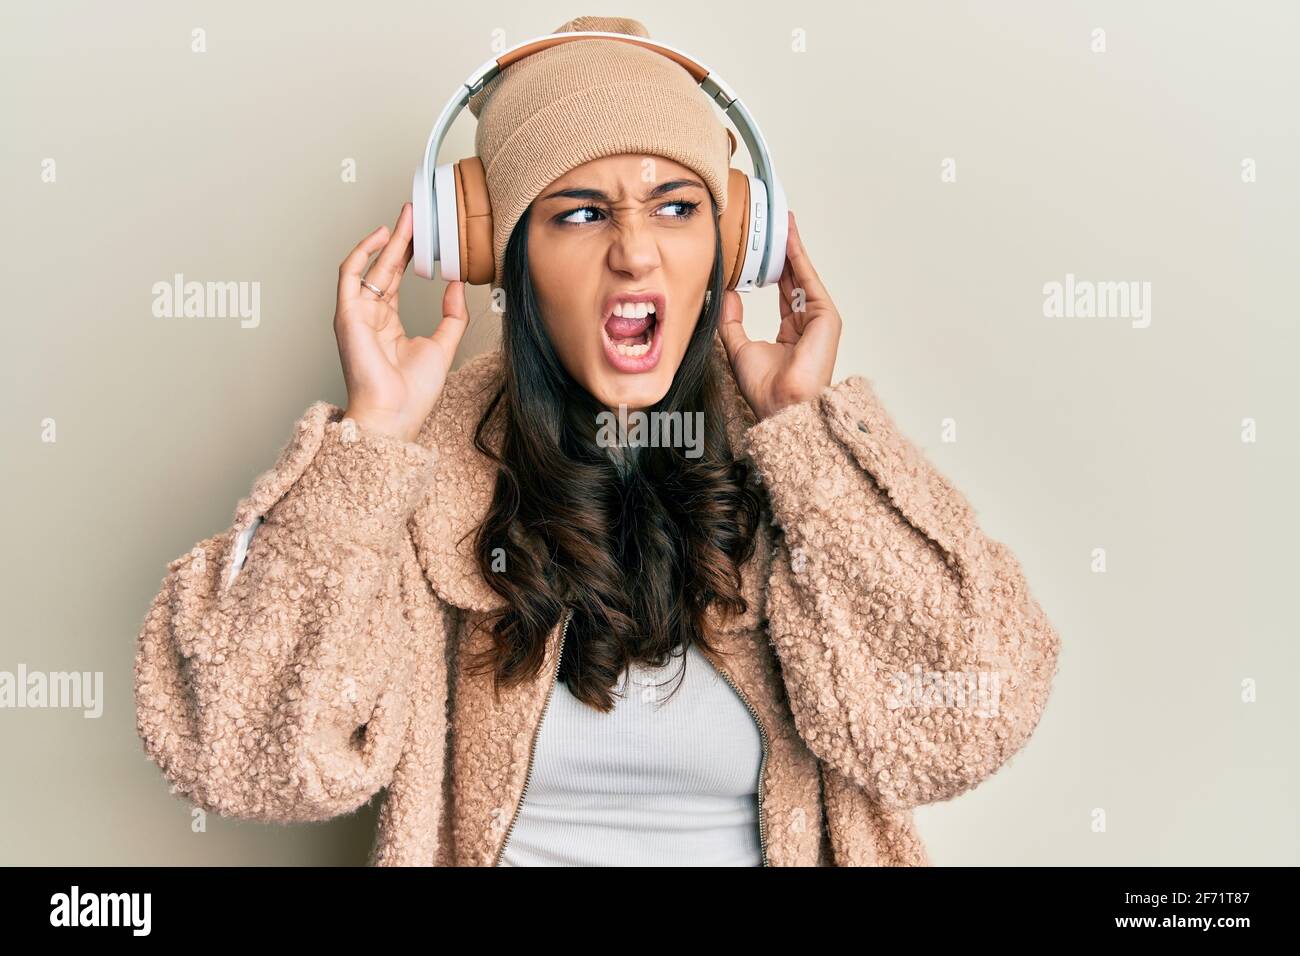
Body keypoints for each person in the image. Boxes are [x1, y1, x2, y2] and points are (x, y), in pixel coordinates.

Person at [133, 16, 1061, 866]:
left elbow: (965, 723)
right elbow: (238, 751)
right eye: (578, 212)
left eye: (676, 206)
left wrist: (809, 440)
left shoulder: (791, 465)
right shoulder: (425, 479)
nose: (635, 250)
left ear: (732, 248)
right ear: (507, 256)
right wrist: (369, 440)